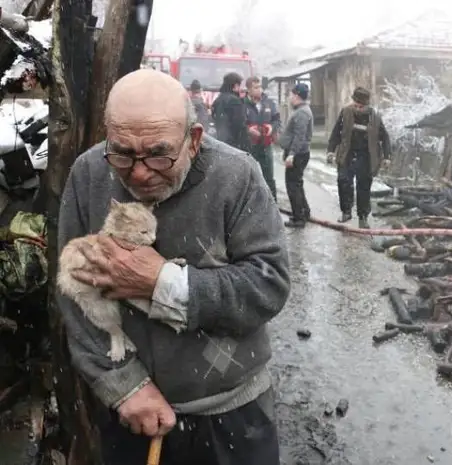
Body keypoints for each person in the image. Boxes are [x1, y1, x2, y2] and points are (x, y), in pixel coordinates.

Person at [56, 69, 290, 465]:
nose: (140, 171)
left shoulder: (237, 176)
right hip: (131, 414)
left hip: (230, 413)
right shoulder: (90, 172)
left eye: (159, 154)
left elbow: (269, 285)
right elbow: (72, 293)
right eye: (123, 153)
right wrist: (123, 386)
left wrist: (162, 282)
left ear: (194, 140)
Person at [326, 86, 392, 229]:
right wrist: (330, 151)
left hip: (366, 157)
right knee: (343, 181)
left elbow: (385, 137)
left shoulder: (375, 117)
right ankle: (346, 212)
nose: (358, 107)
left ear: (366, 104)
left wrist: (387, 156)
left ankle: (363, 217)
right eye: (356, 104)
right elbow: (336, 132)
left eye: (361, 105)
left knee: (363, 188)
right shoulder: (345, 112)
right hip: (347, 155)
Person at [278, 83, 313, 228]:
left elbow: (300, 136)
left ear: (297, 95)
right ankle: (304, 212)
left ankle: (299, 218)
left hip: (298, 154)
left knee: (293, 185)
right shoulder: (301, 110)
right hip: (299, 152)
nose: (290, 97)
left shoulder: (302, 113)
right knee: (297, 183)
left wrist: (291, 154)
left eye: (291, 95)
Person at [244, 76, 280, 201]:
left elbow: (277, 120)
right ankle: (251, 205)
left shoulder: (268, 102)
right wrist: (248, 130)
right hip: (250, 146)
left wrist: (272, 127)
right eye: (255, 87)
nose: (259, 90)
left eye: (260, 87)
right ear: (248, 90)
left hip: (266, 145)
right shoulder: (242, 104)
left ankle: (273, 204)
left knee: (269, 177)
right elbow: (237, 125)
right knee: (249, 177)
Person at [211, 72, 250, 150]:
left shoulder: (217, 100)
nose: (241, 89)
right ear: (235, 86)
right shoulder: (235, 101)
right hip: (234, 145)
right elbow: (239, 124)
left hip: (220, 142)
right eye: (239, 85)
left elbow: (214, 118)